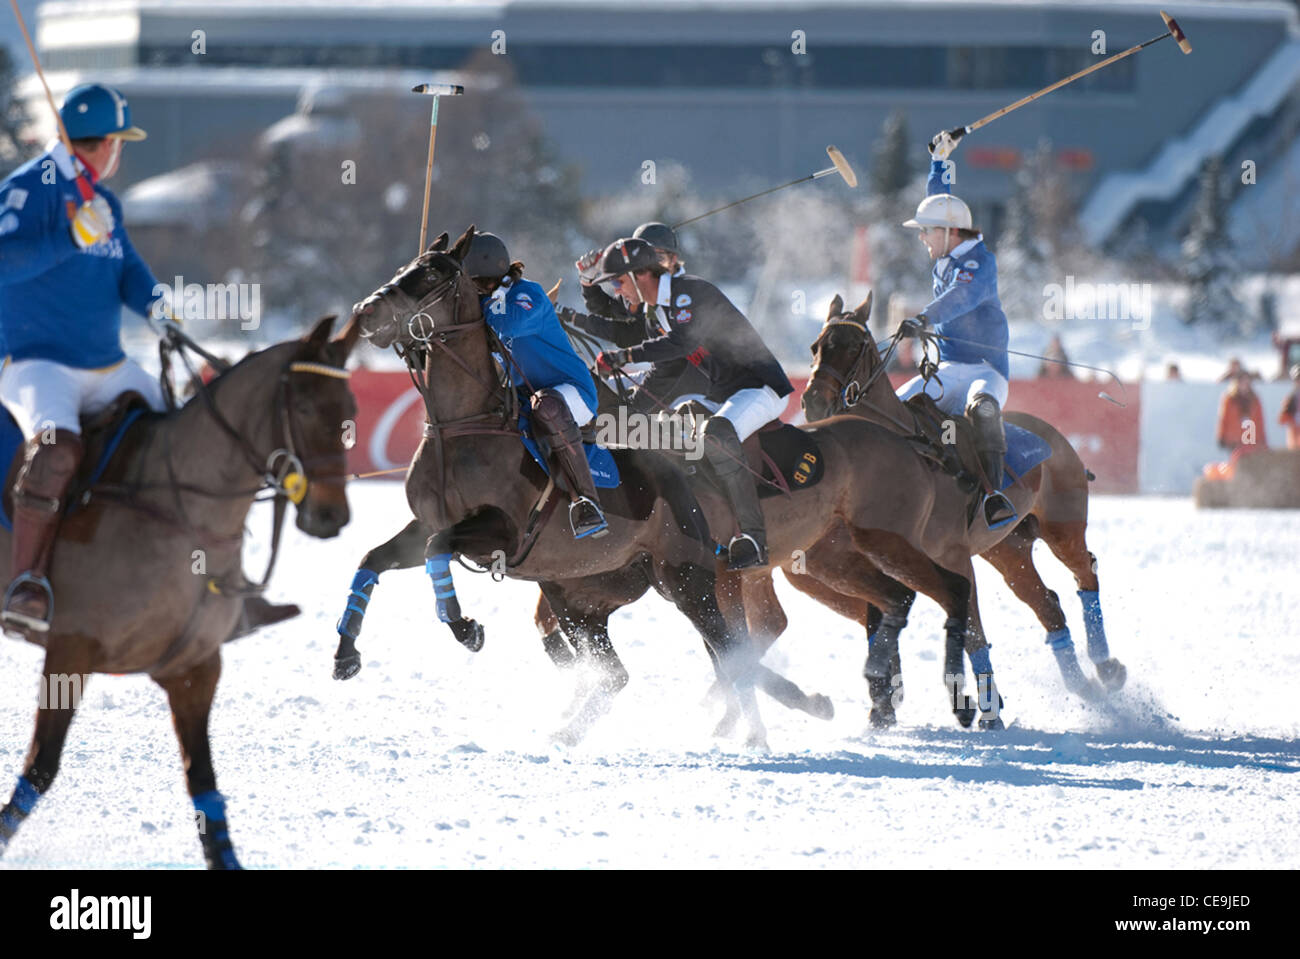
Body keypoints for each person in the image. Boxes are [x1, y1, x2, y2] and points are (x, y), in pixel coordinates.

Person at [0, 83, 297, 635]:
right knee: (57, 451)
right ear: (103, 143)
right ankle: (27, 584)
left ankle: (221, 584)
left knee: (191, 435)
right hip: (36, 366)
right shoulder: (28, 189)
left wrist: (158, 306)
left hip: (108, 366)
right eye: (118, 142)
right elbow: (4, 262)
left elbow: (129, 272)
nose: (121, 153)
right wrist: (69, 236)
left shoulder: (104, 204)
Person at [588, 236, 793, 570]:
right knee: (668, 434)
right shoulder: (661, 313)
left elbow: (682, 344)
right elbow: (667, 370)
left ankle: (754, 539)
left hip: (760, 388)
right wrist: (633, 414)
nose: (616, 290)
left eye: (618, 281)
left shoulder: (688, 293)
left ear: (641, 274)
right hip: (723, 394)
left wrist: (625, 355)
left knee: (717, 435)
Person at [894, 129, 1016, 529]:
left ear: (948, 234)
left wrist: (924, 318)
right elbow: (940, 205)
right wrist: (940, 160)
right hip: (947, 372)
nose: (923, 239)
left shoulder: (980, 263)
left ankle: (993, 496)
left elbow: (958, 300)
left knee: (982, 410)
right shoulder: (948, 247)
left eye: (927, 233)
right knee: (893, 408)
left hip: (986, 371)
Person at [463, 231, 607, 539]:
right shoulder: (491, 303)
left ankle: (587, 503)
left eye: (472, 284)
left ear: (485, 277)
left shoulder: (528, 293)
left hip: (572, 393)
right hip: (528, 396)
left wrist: (482, 308)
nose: (471, 292)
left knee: (548, 405)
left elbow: (508, 323)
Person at [563, 222, 714, 413]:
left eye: (657, 256)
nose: (648, 263)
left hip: (693, 387)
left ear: (673, 259)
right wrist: (587, 283)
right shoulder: (644, 296)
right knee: (593, 391)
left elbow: (668, 363)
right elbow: (610, 311)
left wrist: (634, 408)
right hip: (661, 378)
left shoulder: (681, 299)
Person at [1216, 371, 1268, 452]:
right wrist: (1221, 436)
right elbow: (1224, 419)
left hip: (1251, 440)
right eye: (1242, 382)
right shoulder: (1230, 399)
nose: (1245, 385)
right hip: (1234, 440)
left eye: (1247, 382)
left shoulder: (1254, 399)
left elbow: (1259, 421)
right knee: (1236, 461)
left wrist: (1262, 440)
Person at [1277, 364, 1300, 450]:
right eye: (1298, 380)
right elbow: (1281, 420)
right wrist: (1288, 414)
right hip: (1295, 444)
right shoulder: (1291, 399)